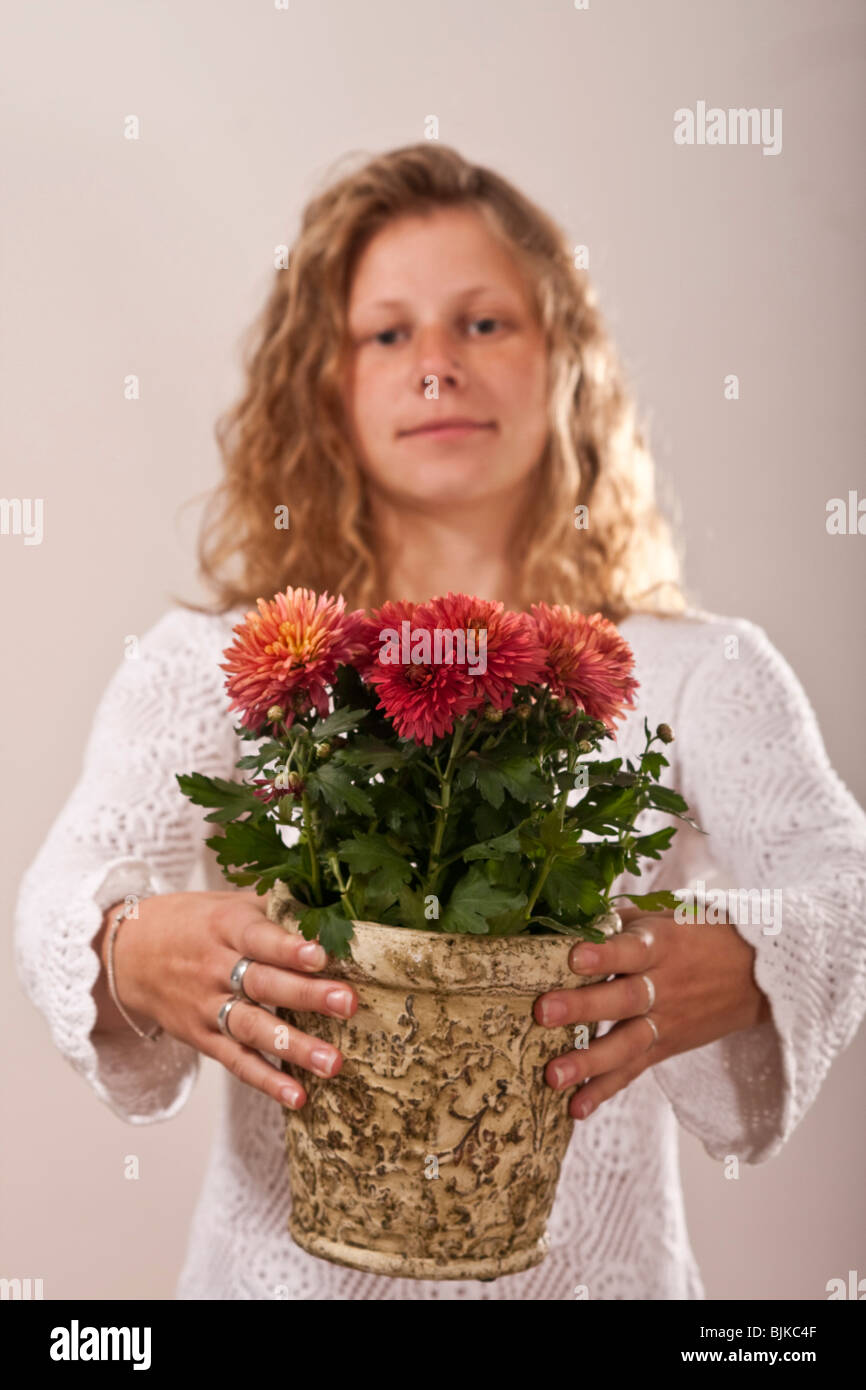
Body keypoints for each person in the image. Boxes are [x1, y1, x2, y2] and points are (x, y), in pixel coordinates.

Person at [14, 143, 866, 1301]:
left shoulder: (691, 672)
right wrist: (125, 943)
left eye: (483, 325)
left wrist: (754, 959)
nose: (433, 371)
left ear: (565, 358)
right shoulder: (219, 664)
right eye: (386, 334)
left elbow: (840, 880)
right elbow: (63, 881)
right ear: (325, 382)